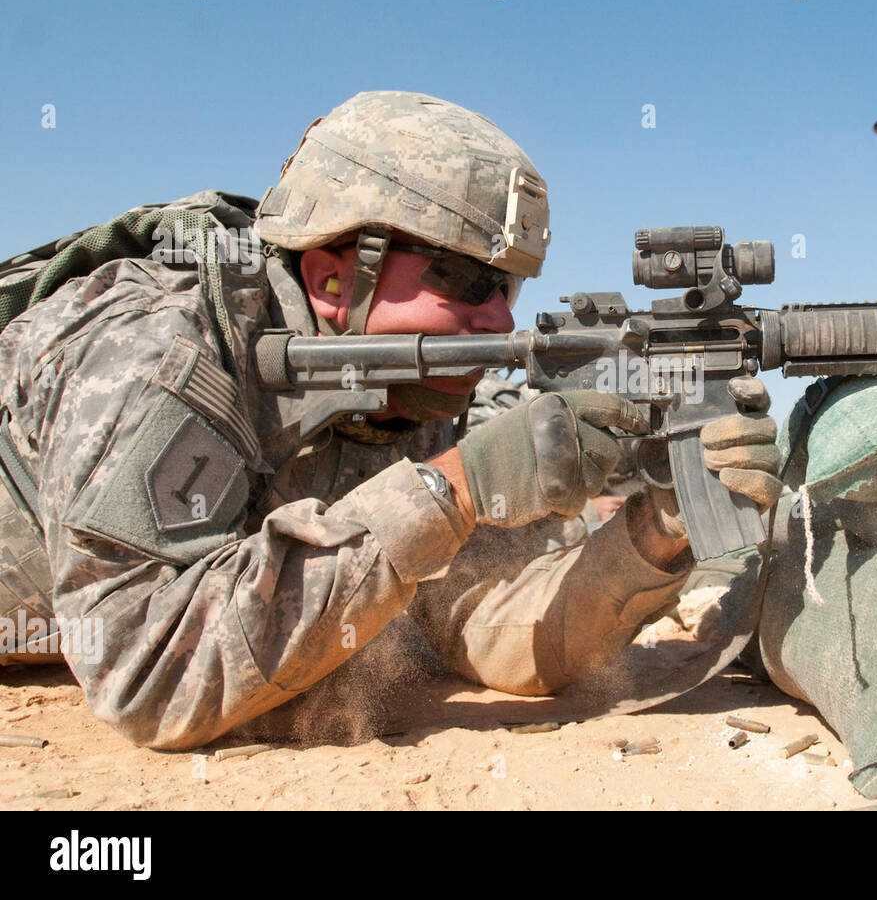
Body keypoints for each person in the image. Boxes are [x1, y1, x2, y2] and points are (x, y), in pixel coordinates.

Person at [0, 91, 781, 749]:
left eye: (508, 288)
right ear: (336, 276)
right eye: (469, 277)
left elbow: (483, 626)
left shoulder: (400, 393)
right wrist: (452, 490)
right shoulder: (158, 347)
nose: (497, 317)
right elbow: (148, 670)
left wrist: (657, 528)